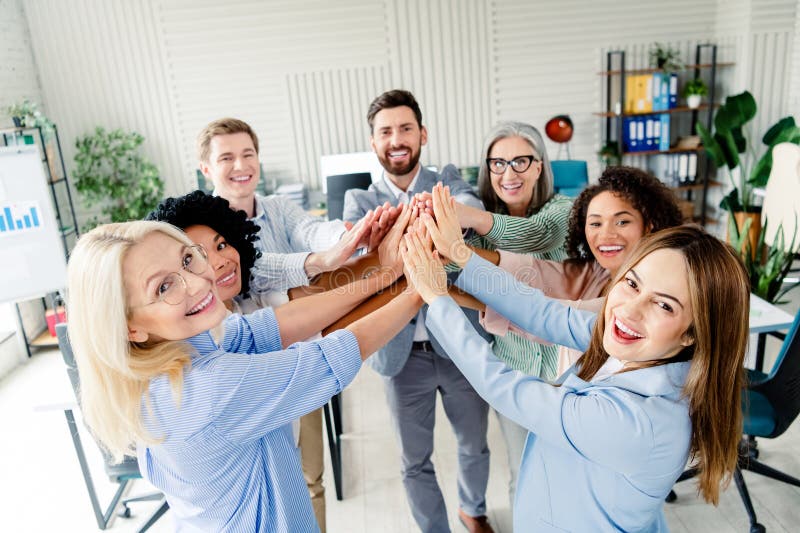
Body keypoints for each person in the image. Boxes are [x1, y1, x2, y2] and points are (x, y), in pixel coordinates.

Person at [401, 184, 749, 531]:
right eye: (631, 284)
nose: (631, 310)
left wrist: (437, 298)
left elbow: (505, 388)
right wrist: (461, 255)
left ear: (693, 332)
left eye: (664, 305)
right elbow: (544, 312)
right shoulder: (640, 349)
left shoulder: (636, 422)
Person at [65, 219, 420, 532]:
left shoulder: (180, 349)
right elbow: (328, 360)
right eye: (163, 287)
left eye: (188, 259)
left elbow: (269, 328)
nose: (197, 283)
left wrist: (385, 276)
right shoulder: (206, 390)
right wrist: (420, 289)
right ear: (130, 329)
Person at [197, 117, 396, 530]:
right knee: (258, 488)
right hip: (240, 376)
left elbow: (311, 230)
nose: (240, 165)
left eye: (248, 154)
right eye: (227, 157)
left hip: (294, 361)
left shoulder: (277, 208)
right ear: (206, 168)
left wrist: (345, 235)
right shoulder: (200, 227)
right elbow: (250, 270)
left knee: (309, 478)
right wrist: (316, 263)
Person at [342, 89, 494, 533]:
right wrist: (426, 222)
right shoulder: (359, 202)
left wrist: (398, 230)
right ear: (373, 143)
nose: (397, 139)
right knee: (414, 459)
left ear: (422, 133)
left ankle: (474, 511)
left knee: (474, 445)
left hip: (460, 346)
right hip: (400, 355)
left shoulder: (449, 180)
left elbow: (474, 213)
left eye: (406, 128)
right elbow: (362, 262)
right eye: (385, 131)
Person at [479, 166, 685, 377]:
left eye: (622, 222)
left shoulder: (644, 294)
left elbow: (546, 315)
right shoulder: (597, 271)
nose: (606, 234)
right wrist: (454, 258)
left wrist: (460, 257)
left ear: (648, 226)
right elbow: (528, 270)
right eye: (595, 223)